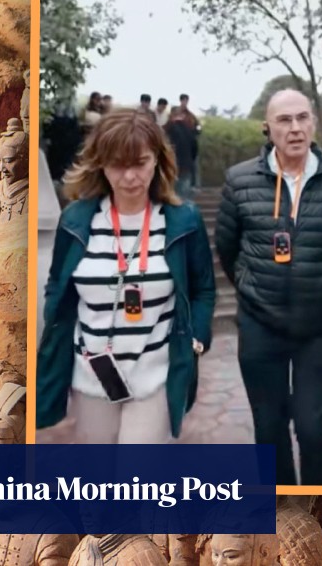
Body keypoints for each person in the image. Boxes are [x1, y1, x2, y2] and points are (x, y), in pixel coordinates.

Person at [36, 109, 216, 445]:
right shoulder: (76, 220)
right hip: (92, 373)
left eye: (140, 163)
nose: (130, 176)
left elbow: (203, 289)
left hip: (155, 373)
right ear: (101, 163)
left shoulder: (183, 220)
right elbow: (57, 284)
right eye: (118, 165)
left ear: (157, 161)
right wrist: (55, 320)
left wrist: (197, 338)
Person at [215, 89, 322, 486]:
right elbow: (227, 249)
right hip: (261, 327)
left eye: (302, 118)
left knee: (314, 427)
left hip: (318, 328)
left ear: (314, 122)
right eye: (284, 120)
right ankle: (280, 511)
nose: (294, 128)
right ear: (268, 128)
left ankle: (317, 512)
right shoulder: (240, 180)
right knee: (269, 428)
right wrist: (250, 285)